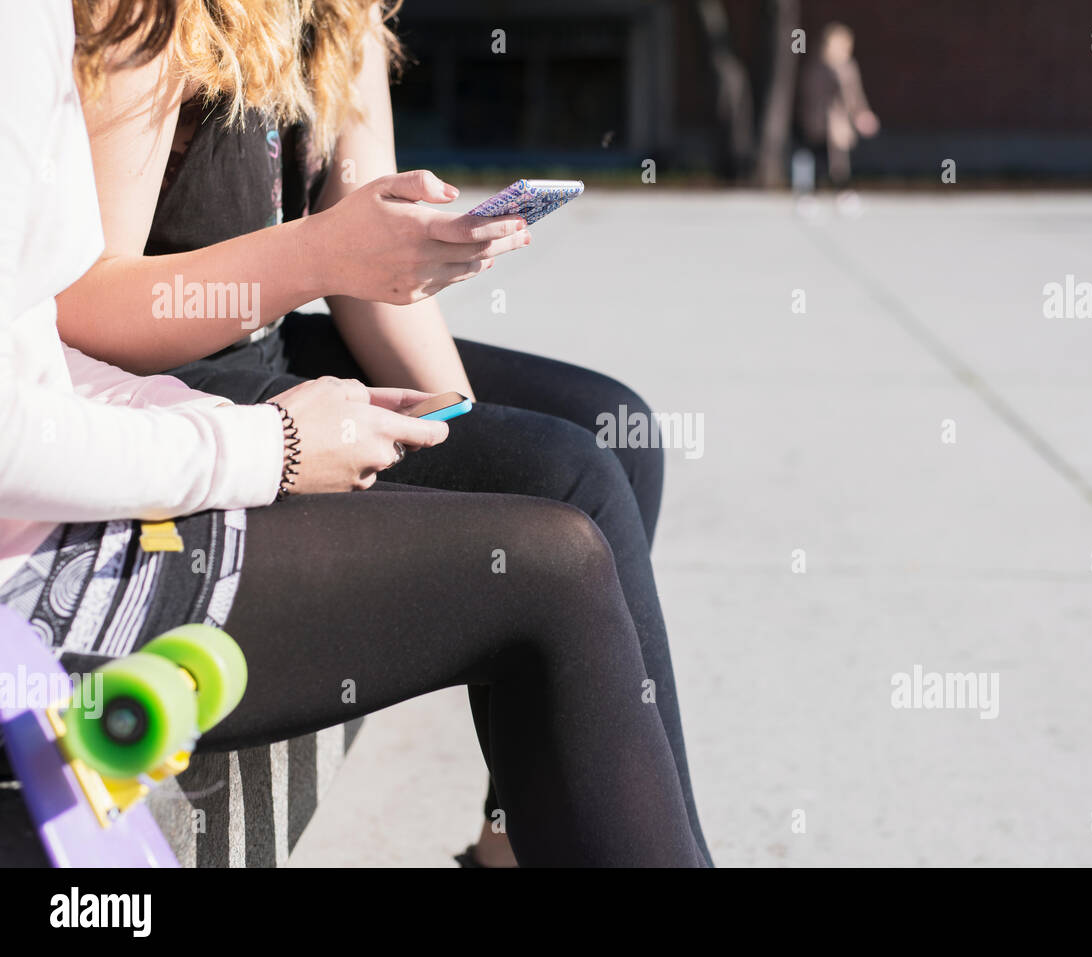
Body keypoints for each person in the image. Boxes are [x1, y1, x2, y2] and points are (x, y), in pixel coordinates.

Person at [0, 0, 709, 868]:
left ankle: (517, 838)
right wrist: (328, 254)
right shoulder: (157, 18)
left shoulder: (345, 11)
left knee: (612, 432)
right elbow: (89, 310)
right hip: (167, 365)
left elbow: (355, 239)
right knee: (568, 478)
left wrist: (454, 397)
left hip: (270, 339)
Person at [798, 21, 880, 188]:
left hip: (827, 122)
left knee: (831, 161)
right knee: (830, 161)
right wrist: (860, 113)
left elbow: (853, 95)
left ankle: (831, 192)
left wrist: (860, 112)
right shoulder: (836, 68)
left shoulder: (823, 66)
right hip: (828, 122)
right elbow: (851, 95)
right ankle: (831, 191)